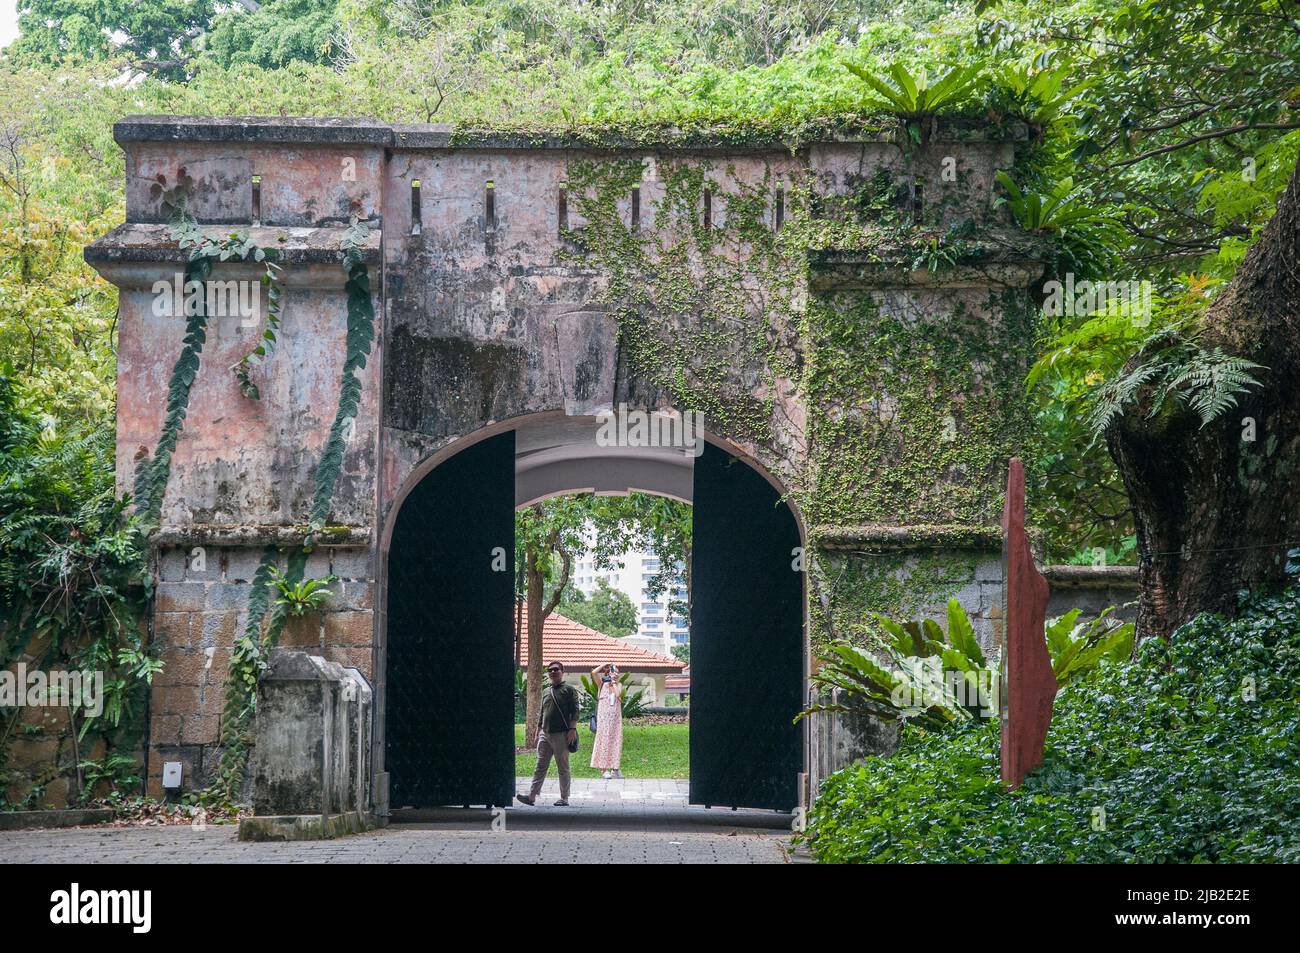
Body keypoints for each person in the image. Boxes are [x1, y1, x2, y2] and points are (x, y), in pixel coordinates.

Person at [516, 660, 580, 807]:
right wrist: (538, 731)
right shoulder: (546, 691)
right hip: (545, 733)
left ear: (562, 671)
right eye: (550, 670)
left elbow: (575, 710)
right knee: (540, 765)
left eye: (555, 669)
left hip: (562, 734)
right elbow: (542, 713)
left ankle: (564, 798)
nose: (552, 672)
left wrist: (572, 729)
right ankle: (531, 796)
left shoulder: (569, 690)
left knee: (562, 766)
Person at [590, 662, 625, 779]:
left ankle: (615, 768)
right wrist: (604, 664)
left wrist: (614, 683)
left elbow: (618, 694)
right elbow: (594, 672)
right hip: (604, 719)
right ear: (608, 673)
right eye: (614, 672)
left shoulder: (619, 685)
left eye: (617, 673)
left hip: (616, 719)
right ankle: (603, 769)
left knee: (616, 741)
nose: (616, 674)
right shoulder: (601, 684)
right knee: (604, 741)